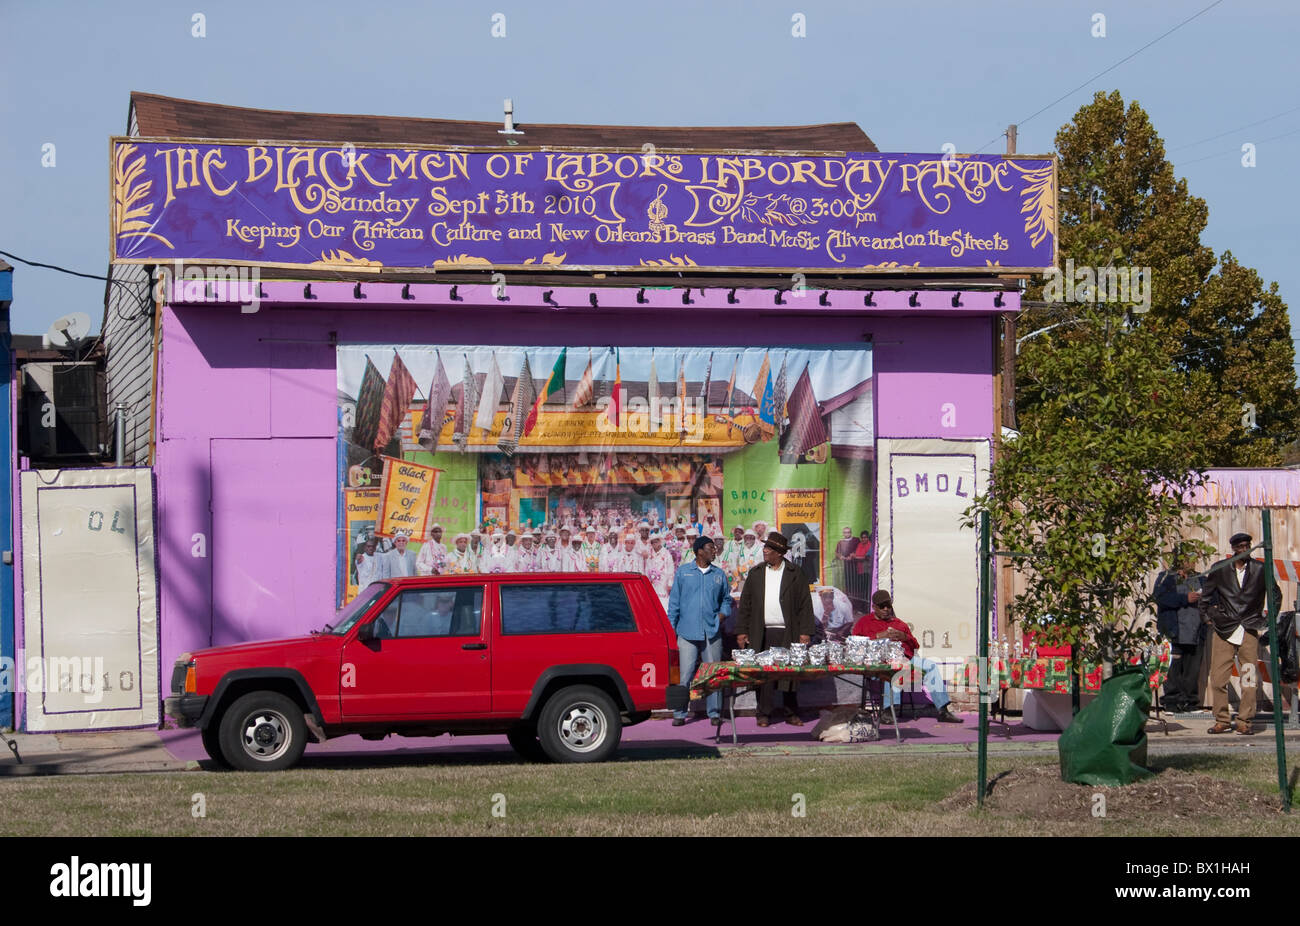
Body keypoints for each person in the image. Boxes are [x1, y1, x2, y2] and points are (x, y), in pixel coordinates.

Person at [1199, 531, 1281, 735]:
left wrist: (1266, 620)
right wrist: (1210, 618)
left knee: (1249, 679)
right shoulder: (1220, 569)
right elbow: (1205, 599)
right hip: (1224, 629)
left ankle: (1245, 721)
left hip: (1249, 629)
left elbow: (1275, 595)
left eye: (1247, 546)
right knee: (1218, 679)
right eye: (1239, 546)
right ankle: (1222, 720)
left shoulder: (1261, 569)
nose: (1244, 549)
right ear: (1233, 549)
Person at [734, 532, 816, 726]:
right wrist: (741, 631)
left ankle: (790, 712)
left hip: (789, 632)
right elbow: (745, 605)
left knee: (789, 673)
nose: (764, 551)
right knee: (764, 675)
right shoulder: (756, 573)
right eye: (765, 548)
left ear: (779, 553)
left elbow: (805, 605)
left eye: (768, 549)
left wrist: (805, 632)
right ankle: (763, 713)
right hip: (762, 632)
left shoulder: (795, 573)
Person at [852, 590, 963, 723]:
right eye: (882, 606)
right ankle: (889, 711)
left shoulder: (899, 624)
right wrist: (877, 636)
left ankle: (943, 710)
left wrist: (905, 637)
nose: (886, 609)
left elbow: (915, 646)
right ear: (874, 607)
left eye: (888, 605)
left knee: (930, 666)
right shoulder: (864, 622)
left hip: (905, 659)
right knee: (893, 668)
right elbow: (854, 644)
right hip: (877, 663)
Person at [666, 536, 733, 727]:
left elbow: (726, 600)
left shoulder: (719, 574)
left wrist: (722, 615)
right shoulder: (683, 572)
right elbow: (674, 604)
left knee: (712, 674)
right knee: (684, 674)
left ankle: (714, 713)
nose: (715, 550)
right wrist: (672, 631)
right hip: (686, 632)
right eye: (711, 548)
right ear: (699, 551)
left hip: (711, 632)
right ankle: (679, 713)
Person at [1152, 552, 1205, 711]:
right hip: (1174, 630)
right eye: (1186, 559)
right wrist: (1185, 599)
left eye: (1193, 558)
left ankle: (1190, 702)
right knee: (1172, 670)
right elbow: (1160, 598)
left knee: (1192, 670)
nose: (1190, 562)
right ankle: (1171, 702)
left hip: (1196, 631)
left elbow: (1213, 598)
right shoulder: (1166, 577)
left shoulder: (1202, 578)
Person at [644, 532, 676, 608]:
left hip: (663, 583)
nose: (654, 543)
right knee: (652, 603)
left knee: (663, 604)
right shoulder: (649, 554)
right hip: (652, 583)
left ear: (660, 541)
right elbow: (647, 569)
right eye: (652, 542)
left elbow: (671, 569)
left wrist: (670, 584)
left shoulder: (666, 554)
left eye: (656, 541)